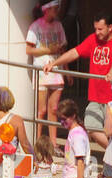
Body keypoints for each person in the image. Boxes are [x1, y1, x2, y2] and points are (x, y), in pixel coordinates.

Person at [45, 13, 112, 151]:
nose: (97, 32)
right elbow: (74, 52)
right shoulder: (92, 39)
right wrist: (55, 63)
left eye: (100, 29)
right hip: (95, 97)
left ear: (110, 27)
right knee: (91, 126)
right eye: (95, 29)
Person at [26, 0, 66, 130]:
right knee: (41, 110)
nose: (57, 11)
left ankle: (53, 143)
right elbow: (29, 50)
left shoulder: (58, 25)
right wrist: (49, 50)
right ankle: (38, 141)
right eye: (55, 8)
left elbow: (63, 49)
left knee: (54, 108)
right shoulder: (35, 26)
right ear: (46, 9)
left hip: (56, 71)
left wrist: (66, 69)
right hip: (42, 71)